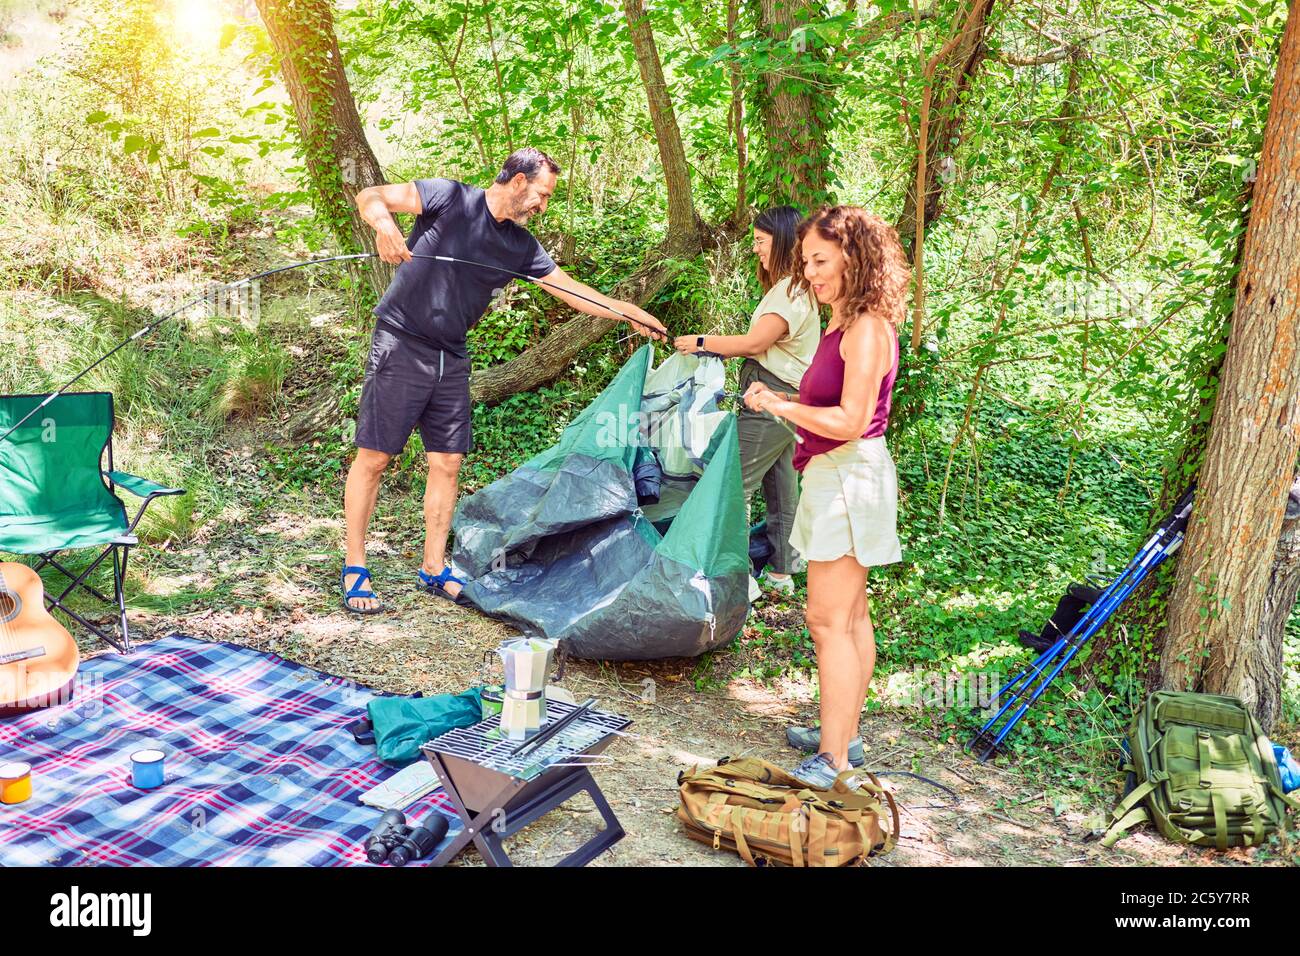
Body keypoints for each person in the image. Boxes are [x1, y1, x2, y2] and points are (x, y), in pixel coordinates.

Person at [341, 147, 668, 614]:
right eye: (542, 194)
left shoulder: (520, 246)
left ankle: (433, 567)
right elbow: (370, 195)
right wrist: (384, 226)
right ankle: (355, 565)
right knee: (375, 457)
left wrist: (628, 312)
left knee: (447, 462)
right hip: (402, 341)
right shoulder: (449, 197)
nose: (543, 205)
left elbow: (570, 291)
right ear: (518, 181)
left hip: (452, 355)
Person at [743, 206, 908, 787]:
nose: (809, 273)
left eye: (820, 261)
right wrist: (785, 403)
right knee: (851, 616)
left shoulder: (866, 330)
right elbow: (830, 407)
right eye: (806, 261)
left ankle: (832, 760)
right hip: (835, 474)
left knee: (827, 620)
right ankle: (844, 735)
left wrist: (780, 405)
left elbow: (852, 420)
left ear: (854, 260)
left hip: (847, 477)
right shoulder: (845, 323)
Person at [673, 207, 820, 597]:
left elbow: (756, 343)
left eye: (760, 241)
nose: (755, 249)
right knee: (782, 486)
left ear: (783, 241)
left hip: (771, 395)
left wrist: (702, 342)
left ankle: (732, 576)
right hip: (789, 396)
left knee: (734, 481)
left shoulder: (790, 290)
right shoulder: (797, 288)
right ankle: (782, 573)